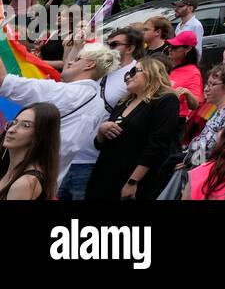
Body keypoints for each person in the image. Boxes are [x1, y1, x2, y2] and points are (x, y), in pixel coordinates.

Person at [0, 39, 118, 200]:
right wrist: (75, 47)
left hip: (21, 175)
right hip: (48, 182)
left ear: (89, 65)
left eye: (77, 59)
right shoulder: (99, 104)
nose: (68, 63)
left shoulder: (66, 93)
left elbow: (4, 82)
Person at [85, 57, 183, 201]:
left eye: (133, 71)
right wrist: (101, 131)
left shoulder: (166, 101)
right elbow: (100, 144)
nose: (128, 76)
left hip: (132, 178)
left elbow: (157, 145)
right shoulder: (124, 101)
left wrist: (133, 181)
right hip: (104, 173)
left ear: (151, 73)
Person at [183, 64, 225, 168]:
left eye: (213, 84)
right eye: (207, 84)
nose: (206, 89)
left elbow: (215, 150)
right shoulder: (219, 109)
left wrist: (190, 162)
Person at [0, 103, 60, 200]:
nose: (11, 130)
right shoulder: (9, 170)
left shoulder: (24, 183)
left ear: (40, 135)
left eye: (25, 125)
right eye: (14, 122)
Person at [166, 31, 204, 120]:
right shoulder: (169, 65)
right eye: (170, 46)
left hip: (175, 120)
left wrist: (187, 92)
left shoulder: (193, 73)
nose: (170, 49)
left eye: (174, 47)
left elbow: (195, 105)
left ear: (188, 49)